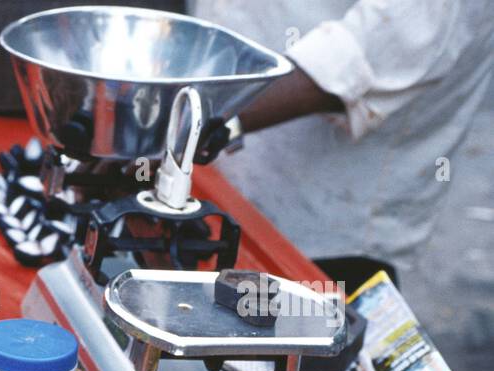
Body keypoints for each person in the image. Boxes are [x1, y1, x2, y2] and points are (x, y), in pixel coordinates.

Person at [190, 0, 494, 292]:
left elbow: (386, 41)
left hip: (330, 230)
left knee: (302, 327)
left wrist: (187, 121)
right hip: (219, 181)